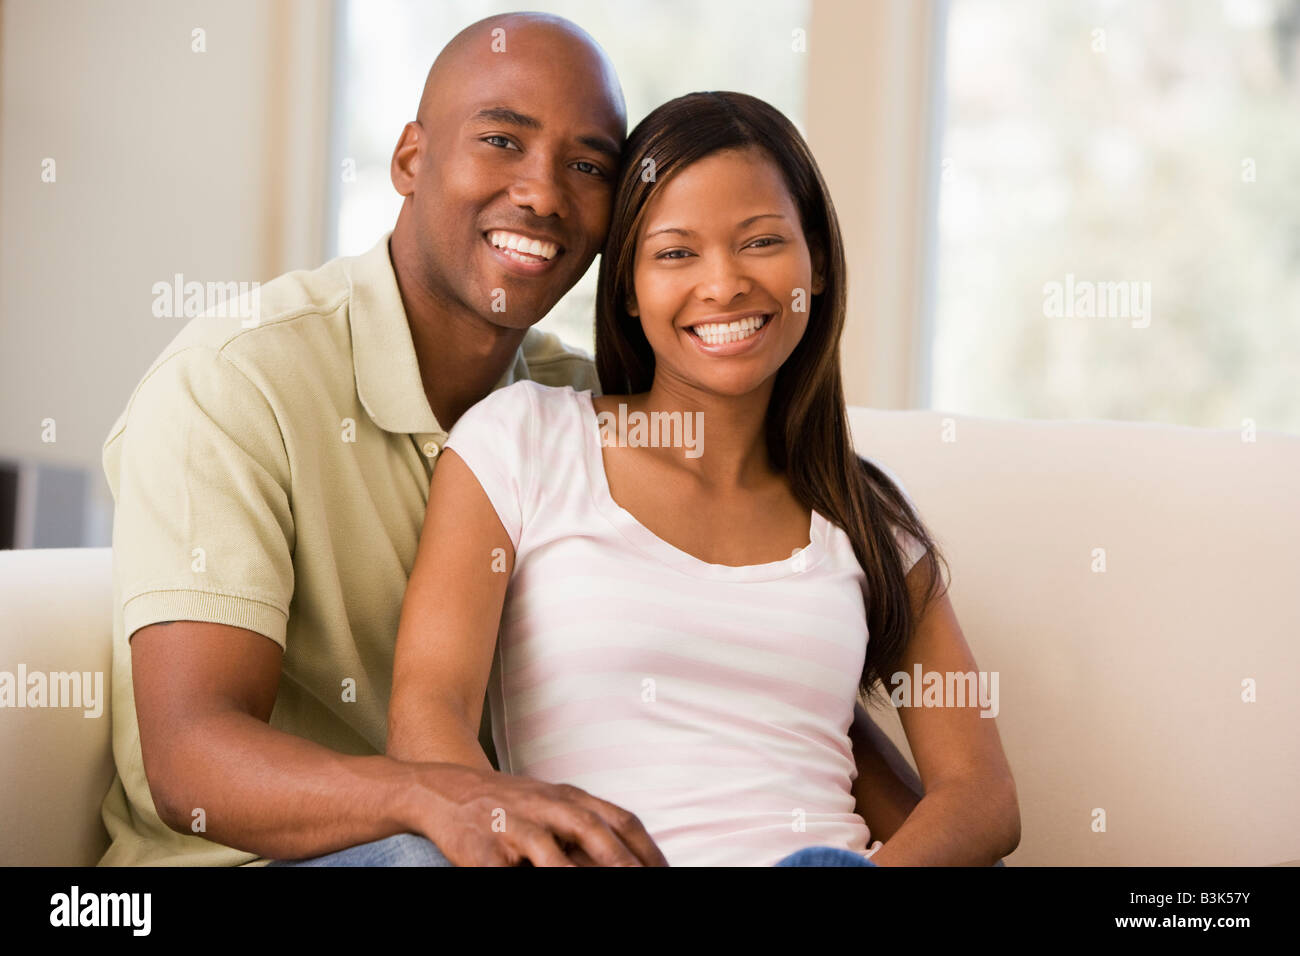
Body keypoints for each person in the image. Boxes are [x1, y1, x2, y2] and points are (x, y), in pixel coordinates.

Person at [99, 12, 927, 867]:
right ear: (411, 158)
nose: (541, 193)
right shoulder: (237, 380)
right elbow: (190, 758)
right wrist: (438, 795)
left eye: (587, 166)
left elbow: (738, 675)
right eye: (501, 140)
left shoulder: (580, 411)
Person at [386, 90, 1021, 866]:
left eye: (759, 243)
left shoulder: (862, 512)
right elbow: (428, 713)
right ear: (628, 286)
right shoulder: (523, 440)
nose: (723, 285)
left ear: (814, 263)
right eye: (677, 253)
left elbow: (981, 798)